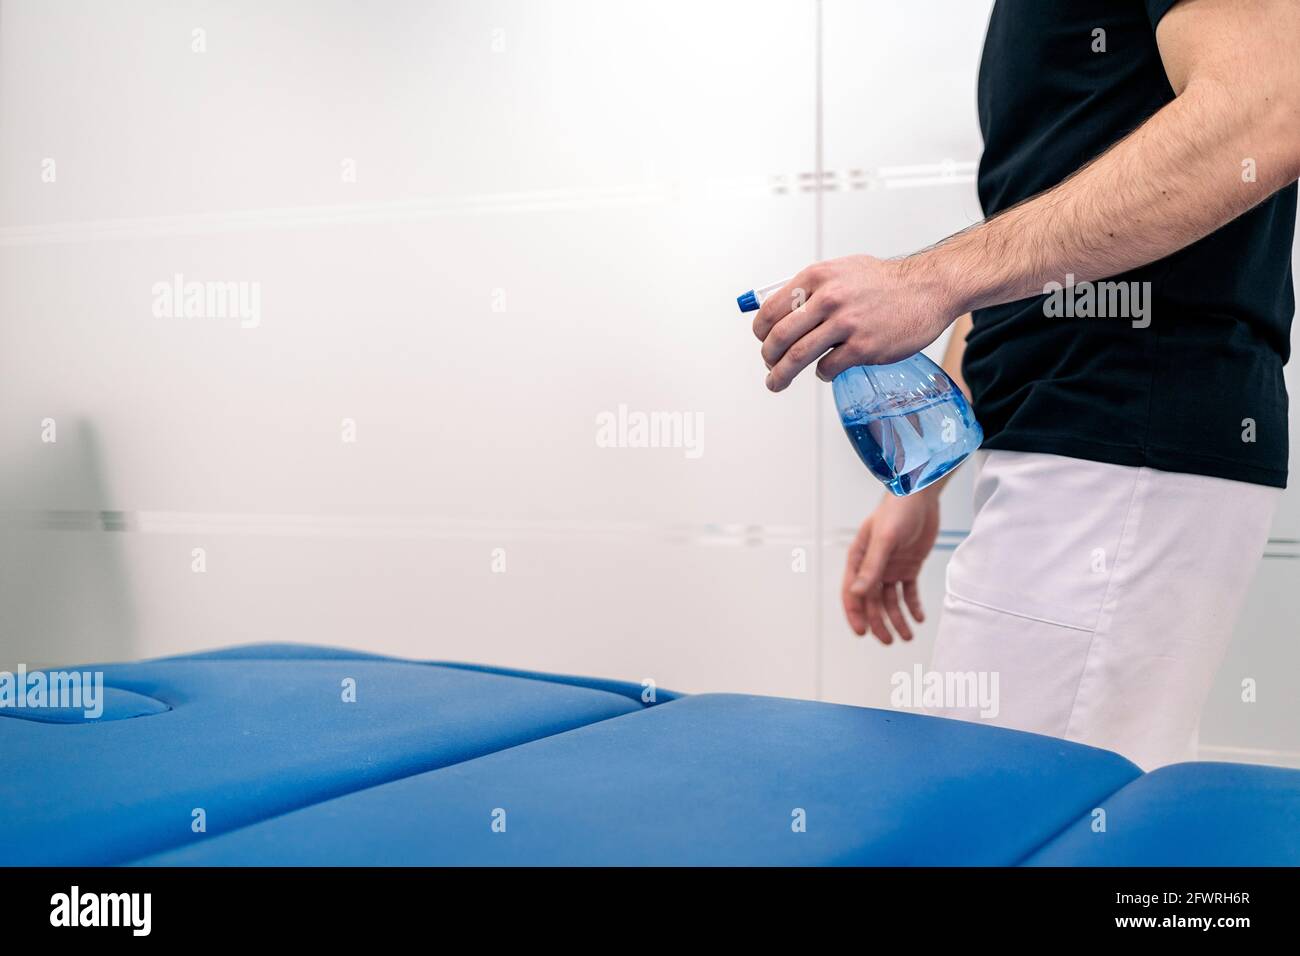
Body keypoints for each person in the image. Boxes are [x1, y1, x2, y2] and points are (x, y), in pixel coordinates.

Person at [751, 0, 1299, 769]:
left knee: (1002, 815)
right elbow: (1033, 234)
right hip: (1075, 443)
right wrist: (923, 477)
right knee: (1084, 818)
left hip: (1120, 432)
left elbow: (1270, 105)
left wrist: (927, 278)